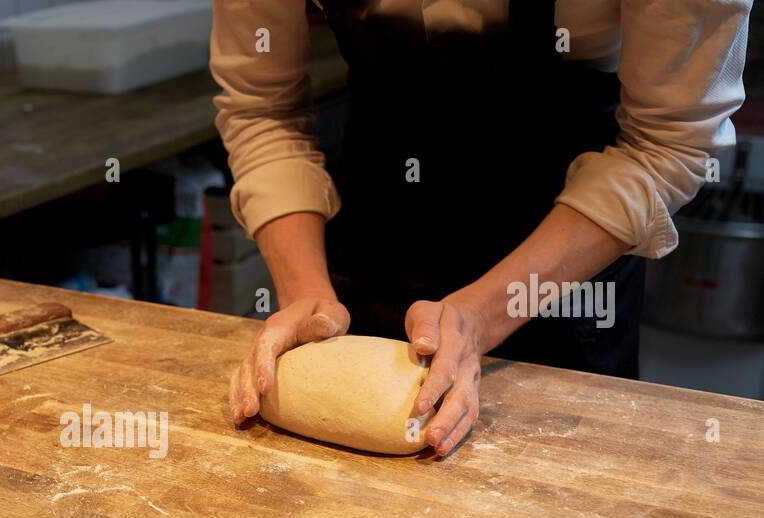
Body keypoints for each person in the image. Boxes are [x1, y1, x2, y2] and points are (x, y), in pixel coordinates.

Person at [214, 0, 751, 455]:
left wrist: (485, 315)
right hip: (378, 219)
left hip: (564, 264)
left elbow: (669, 142)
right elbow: (263, 108)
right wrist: (307, 292)